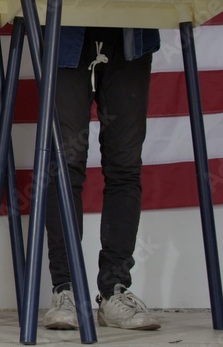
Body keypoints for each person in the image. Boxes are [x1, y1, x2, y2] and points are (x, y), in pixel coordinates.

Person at [42, 26, 162, 331]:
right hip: (66, 23)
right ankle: (65, 290)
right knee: (66, 164)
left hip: (130, 25)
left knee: (124, 165)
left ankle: (114, 291)